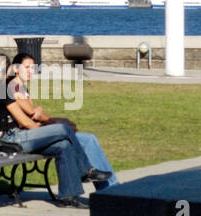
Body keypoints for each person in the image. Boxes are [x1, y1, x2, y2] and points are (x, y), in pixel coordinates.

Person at [0, 52, 106, 207]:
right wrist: (40, 130)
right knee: (63, 129)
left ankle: (68, 196)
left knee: (63, 146)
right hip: (9, 141)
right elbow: (23, 120)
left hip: (14, 137)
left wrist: (40, 129)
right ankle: (86, 171)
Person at [8, 53, 119, 190]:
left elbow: (36, 116)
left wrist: (48, 118)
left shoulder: (23, 88)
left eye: (33, 68)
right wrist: (56, 121)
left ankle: (112, 189)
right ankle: (109, 189)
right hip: (28, 138)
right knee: (84, 138)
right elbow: (34, 115)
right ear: (16, 69)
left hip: (37, 133)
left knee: (89, 139)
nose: (31, 71)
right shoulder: (14, 87)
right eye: (27, 67)